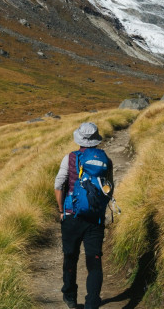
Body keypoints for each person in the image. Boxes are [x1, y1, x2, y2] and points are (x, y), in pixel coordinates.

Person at [54, 122, 113, 309]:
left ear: (79, 139)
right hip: (95, 218)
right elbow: (109, 188)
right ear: (96, 140)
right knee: (94, 260)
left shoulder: (70, 158)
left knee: (70, 256)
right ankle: (92, 303)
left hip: (72, 215)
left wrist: (61, 210)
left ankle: (70, 296)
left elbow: (58, 185)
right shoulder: (105, 160)